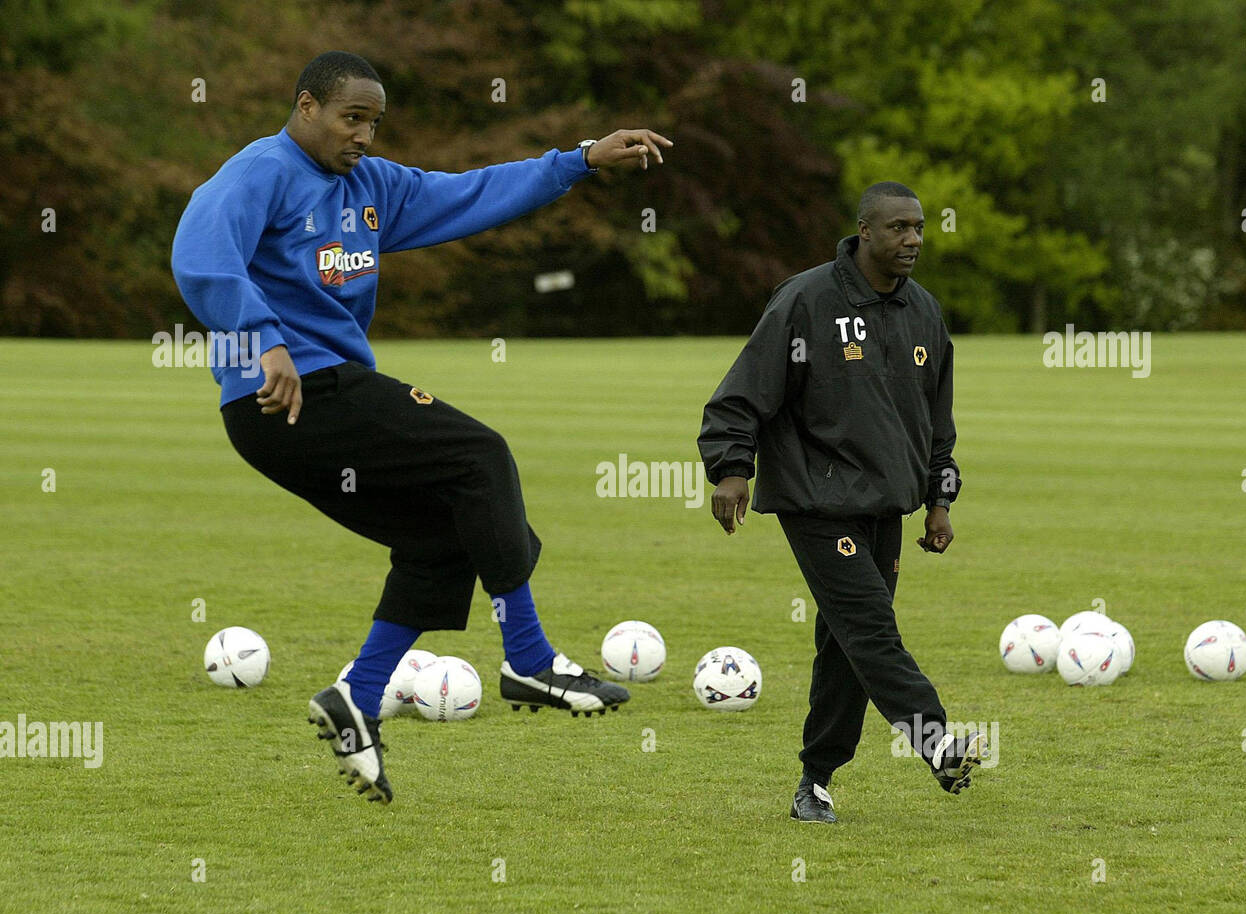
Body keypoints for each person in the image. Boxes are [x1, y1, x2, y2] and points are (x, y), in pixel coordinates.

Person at [172, 51, 672, 805]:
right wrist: (264, 337)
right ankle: (529, 660)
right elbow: (200, 254)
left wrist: (579, 161)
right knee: (481, 455)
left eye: (373, 121)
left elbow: (472, 193)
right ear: (306, 106)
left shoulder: (372, 187)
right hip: (289, 391)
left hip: (319, 398)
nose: (364, 135)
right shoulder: (262, 170)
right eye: (351, 117)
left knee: (445, 534)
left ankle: (359, 694)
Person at [698, 181, 986, 823]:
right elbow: (742, 394)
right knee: (871, 630)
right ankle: (936, 742)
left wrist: (940, 500)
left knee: (845, 646)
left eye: (918, 228)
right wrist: (731, 469)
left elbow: (939, 424)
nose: (912, 239)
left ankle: (815, 782)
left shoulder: (924, 314)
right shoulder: (805, 301)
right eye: (897, 228)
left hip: (886, 505)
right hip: (817, 501)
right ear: (864, 231)